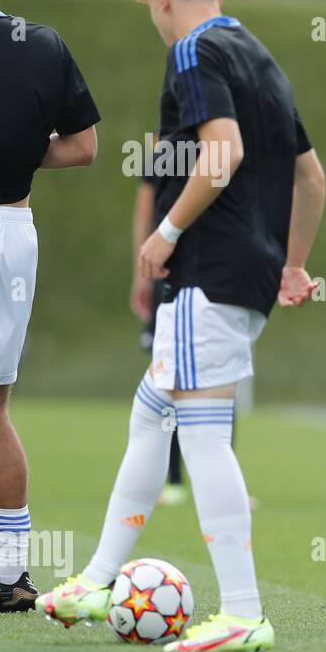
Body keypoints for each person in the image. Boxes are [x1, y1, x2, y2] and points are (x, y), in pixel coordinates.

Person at [36, 0, 326, 652]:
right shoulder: (260, 56)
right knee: (151, 415)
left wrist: (165, 232)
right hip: (245, 275)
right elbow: (312, 177)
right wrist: (292, 264)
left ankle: (244, 613)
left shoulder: (193, 51)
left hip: (207, 271)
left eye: (153, 11)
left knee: (201, 433)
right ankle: (97, 580)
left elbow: (222, 152)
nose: (158, 24)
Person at [0, 0, 100, 615]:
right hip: (14, 232)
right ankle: (12, 578)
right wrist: (17, 154)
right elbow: (83, 148)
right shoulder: (42, 43)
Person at [131, 133, 187, 506]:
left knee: (213, 378)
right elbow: (146, 205)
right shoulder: (161, 144)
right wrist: (141, 271)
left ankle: (208, 477)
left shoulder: (227, 139)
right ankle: (172, 478)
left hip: (206, 271)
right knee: (167, 376)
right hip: (168, 271)